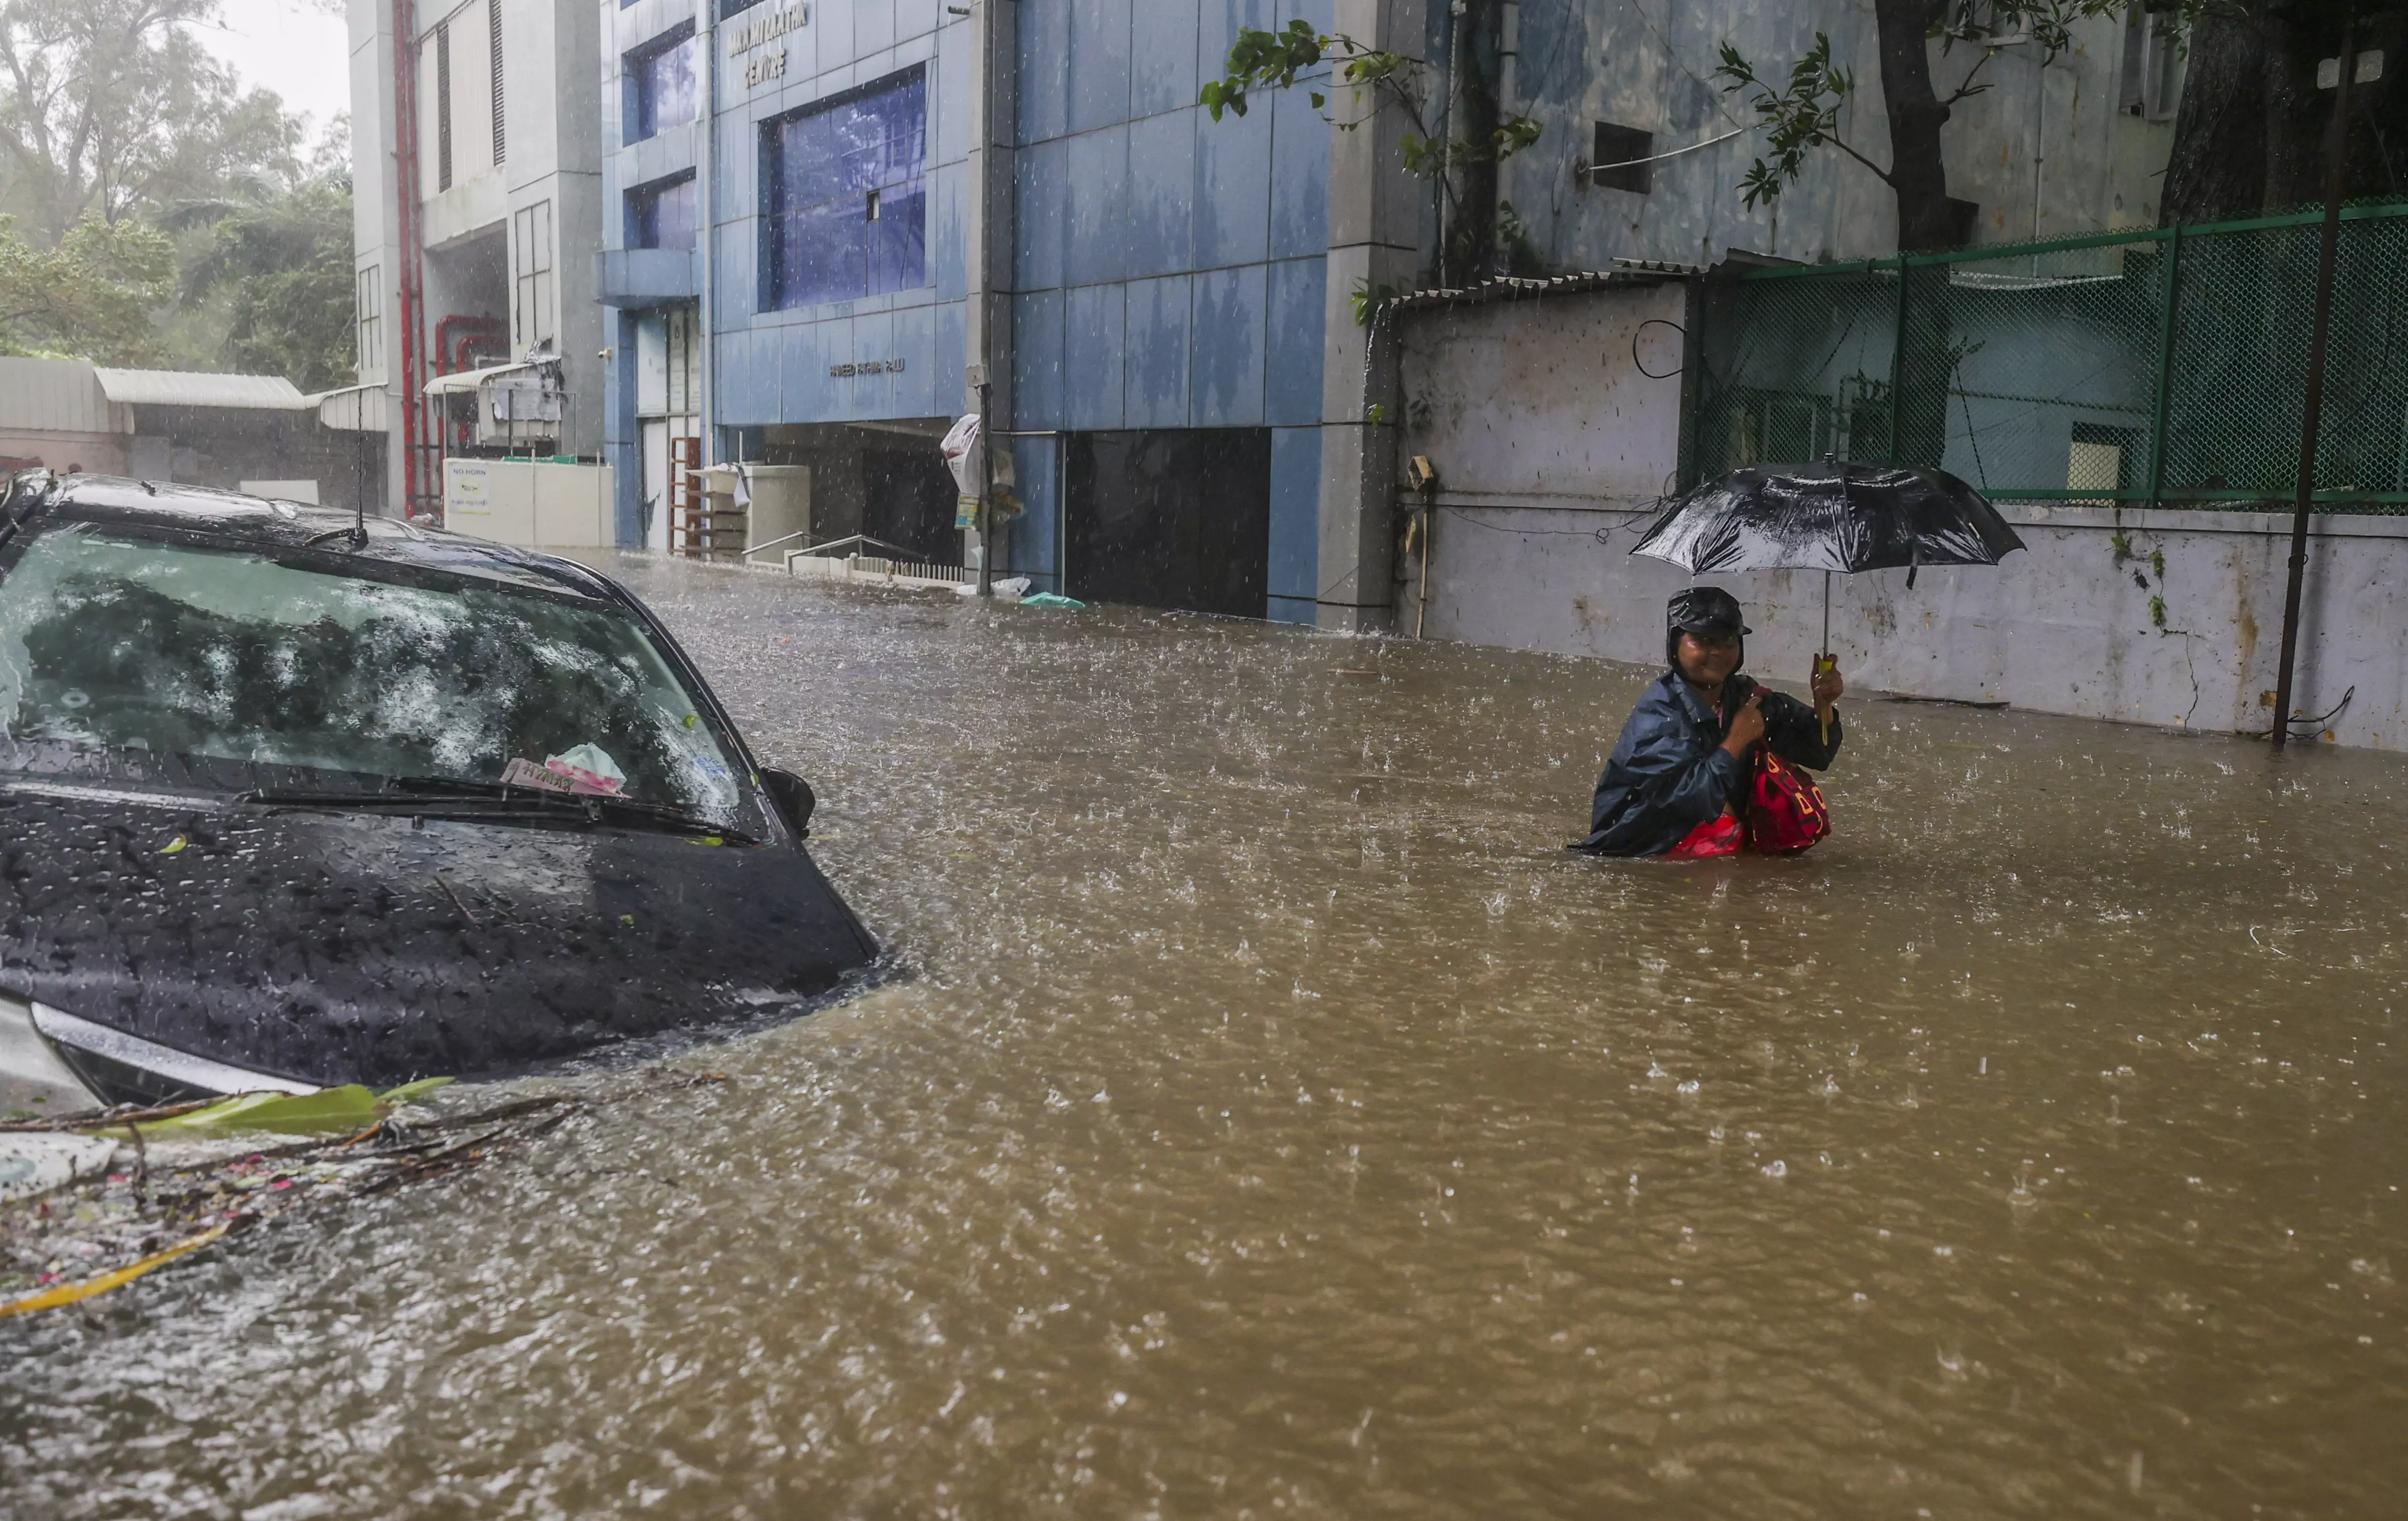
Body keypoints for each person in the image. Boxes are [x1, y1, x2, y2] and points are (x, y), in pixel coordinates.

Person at [1575, 587, 1844, 858]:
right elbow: (1691, 801)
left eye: (1728, 642)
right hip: (1647, 846)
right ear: (1675, 644)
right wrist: (1737, 739)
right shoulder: (1658, 714)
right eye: (1704, 641)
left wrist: (1823, 705)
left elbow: (1818, 753)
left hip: (1717, 834)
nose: (1718, 652)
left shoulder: (1746, 697)